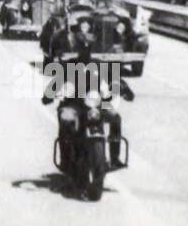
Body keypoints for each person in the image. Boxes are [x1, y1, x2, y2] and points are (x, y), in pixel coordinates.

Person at [40, 30, 133, 167]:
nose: (85, 50)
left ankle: (114, 158)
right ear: (77, 47)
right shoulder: (69, 65)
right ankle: (65, 158)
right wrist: (48, 95)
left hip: (96, 104)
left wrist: (125, 90)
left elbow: (115, 79)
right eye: (82, 46)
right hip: (73, 104)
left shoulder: (99, 64)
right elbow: (56, 82)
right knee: (65, 118)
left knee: (115, 118)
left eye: (88, 46)